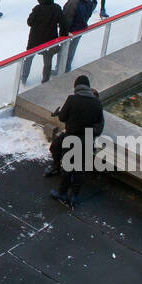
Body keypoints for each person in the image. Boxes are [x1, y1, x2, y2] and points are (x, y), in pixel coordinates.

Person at [45, 75, 103, 206]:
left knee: (68, 165)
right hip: (87, 139)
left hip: (72, 137)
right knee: (80, 168)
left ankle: (61, 193)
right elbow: (99, 124)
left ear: (76, 87)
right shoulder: (97, 103)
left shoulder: (72, 99)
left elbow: (63, 117)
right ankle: (74, 195)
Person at [22, 0, 68, 84]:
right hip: (50, 41)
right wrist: (63, 37)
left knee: (29, 58)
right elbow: (63, 23)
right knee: (47, 61)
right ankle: (45, 81)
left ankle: (24, 77)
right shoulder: (56, 8)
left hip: (35, 41)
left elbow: (29, 22)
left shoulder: (37, 9)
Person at [61, 0, 96, 71]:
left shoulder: (73, 3)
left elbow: (68, 18)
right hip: (81, 28)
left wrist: (64, 31)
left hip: (72, 31)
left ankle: (63, 68)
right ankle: (66, 66)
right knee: (72, 49)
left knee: (66, 50)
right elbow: (91, 9)